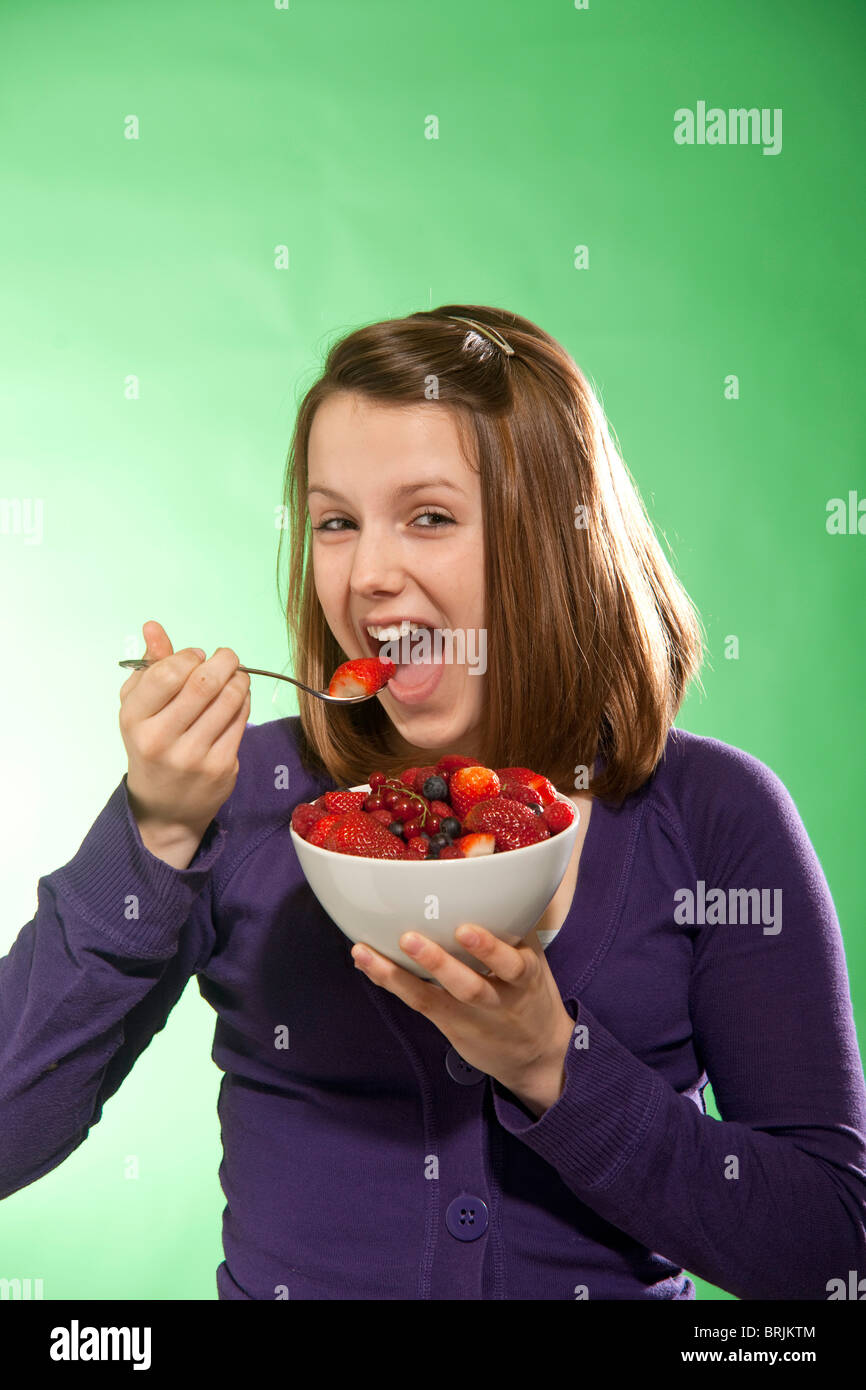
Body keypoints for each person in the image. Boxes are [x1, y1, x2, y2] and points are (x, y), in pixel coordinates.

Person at [2, 305, 864, 1300]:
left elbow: (828, 1252)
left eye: (428, 517)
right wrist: (152, 835)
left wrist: (552, 1063)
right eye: (335, 522)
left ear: (550, 539)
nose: (367, 574)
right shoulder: (236, 801)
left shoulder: (713, 816)